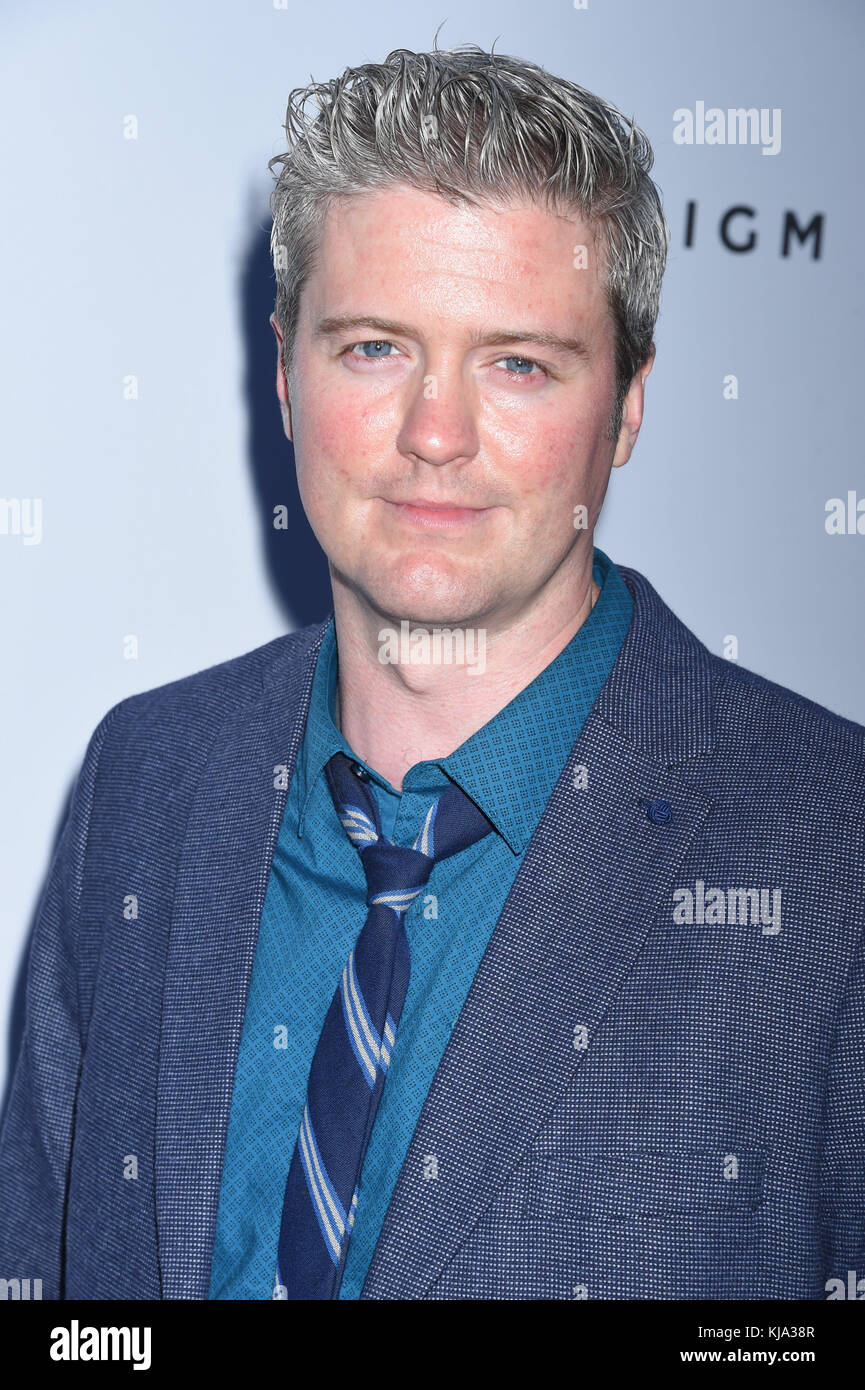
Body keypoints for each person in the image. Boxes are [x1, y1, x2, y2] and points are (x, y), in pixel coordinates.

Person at [1, 43, 863, 1302]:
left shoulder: (834, 849)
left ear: (626, 404)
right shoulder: (146, 776)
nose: (434, 434)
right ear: (284, 370)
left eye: (517, 361)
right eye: (372, 349)